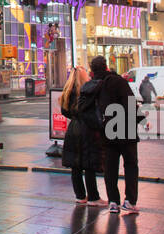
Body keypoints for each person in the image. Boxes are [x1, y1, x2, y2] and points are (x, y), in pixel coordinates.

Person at [95, 55, 140, 214]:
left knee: (110, 166)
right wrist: (140, 120)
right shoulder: (118, 81)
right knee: (130, 164)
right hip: (125, 128)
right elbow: (130, 102)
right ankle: (130, 200)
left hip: (107, 130)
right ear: (106, 67)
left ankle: (113, 201)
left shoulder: (95, 85)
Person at [60, 65, 105, 206]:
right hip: (86, 128)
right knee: (89, 163)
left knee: (76, 165)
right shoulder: (87, 91)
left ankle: (80, 195)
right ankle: (93, 197)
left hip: (73, 129)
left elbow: (64, 111)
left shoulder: (67, 92)